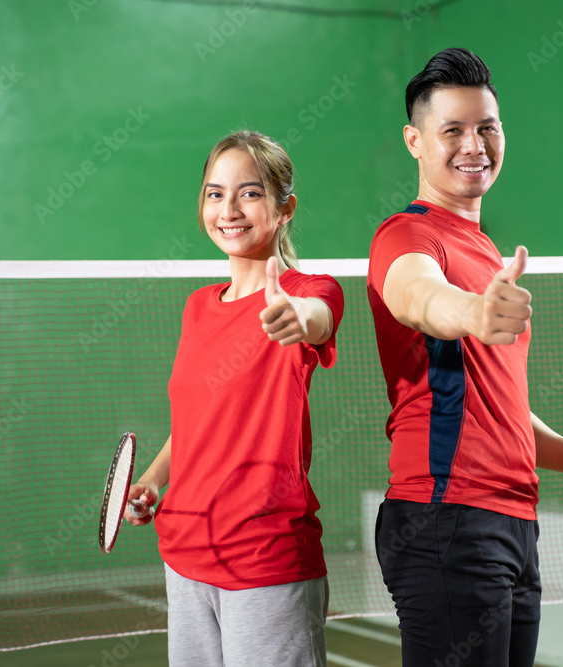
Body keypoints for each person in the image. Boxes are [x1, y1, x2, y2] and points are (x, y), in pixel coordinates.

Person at [367, 48, 563, 667]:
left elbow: (498, 410)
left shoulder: (483, 248)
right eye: (452, 130)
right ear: (415, 141)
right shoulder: (406, 235)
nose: (474, 144)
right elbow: (417, 296)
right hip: (446, 521)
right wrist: (471, 313)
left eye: (487, 126)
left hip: (511, 523)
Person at [124, 130, 344, 667]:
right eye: (215, 193)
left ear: (285, 207)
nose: (229, 209)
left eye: (249, 193)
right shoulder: (197, 307)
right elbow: (198, 424)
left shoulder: (312, 292)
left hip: (265, 561)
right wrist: (154, 481)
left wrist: (296, 317)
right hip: (185, 555)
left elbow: (317, 321)